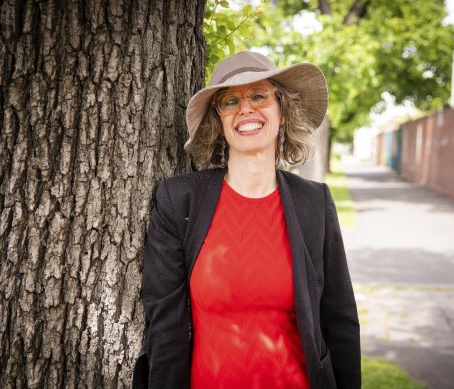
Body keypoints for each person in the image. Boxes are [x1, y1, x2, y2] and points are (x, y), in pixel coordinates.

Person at [134, 51, 360, 389]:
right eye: (230, 101)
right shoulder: (180, 200)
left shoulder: (314, 203)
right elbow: (165, 325)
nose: (246, 109)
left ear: (282, 111)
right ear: (219, 118)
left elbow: (340, 319)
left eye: (259, 95)